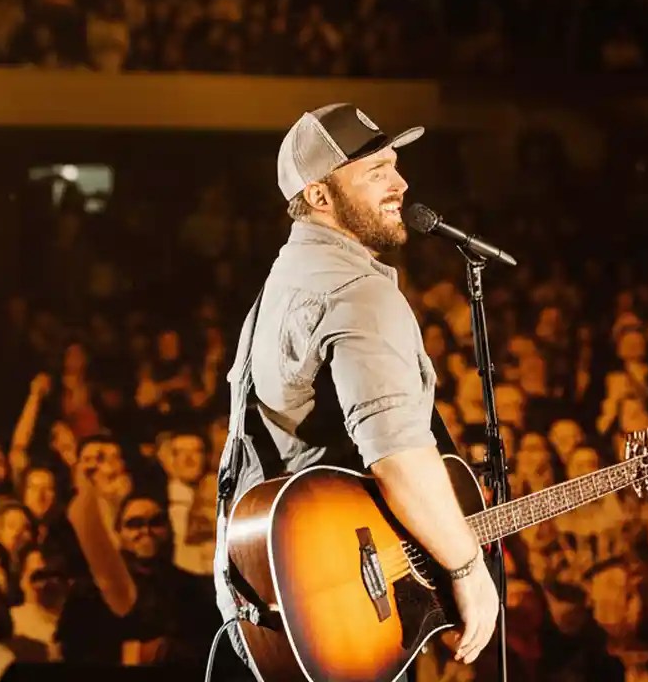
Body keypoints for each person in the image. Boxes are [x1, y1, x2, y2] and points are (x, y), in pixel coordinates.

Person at [213, 103, 500, 678]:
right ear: (320, 196)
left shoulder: (286, 279)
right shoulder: (357, 292)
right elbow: (397, 456)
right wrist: (468, 570)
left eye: (395, 164)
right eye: (376, 172)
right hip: (337, 607)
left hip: (284, 595)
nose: (401, 183)